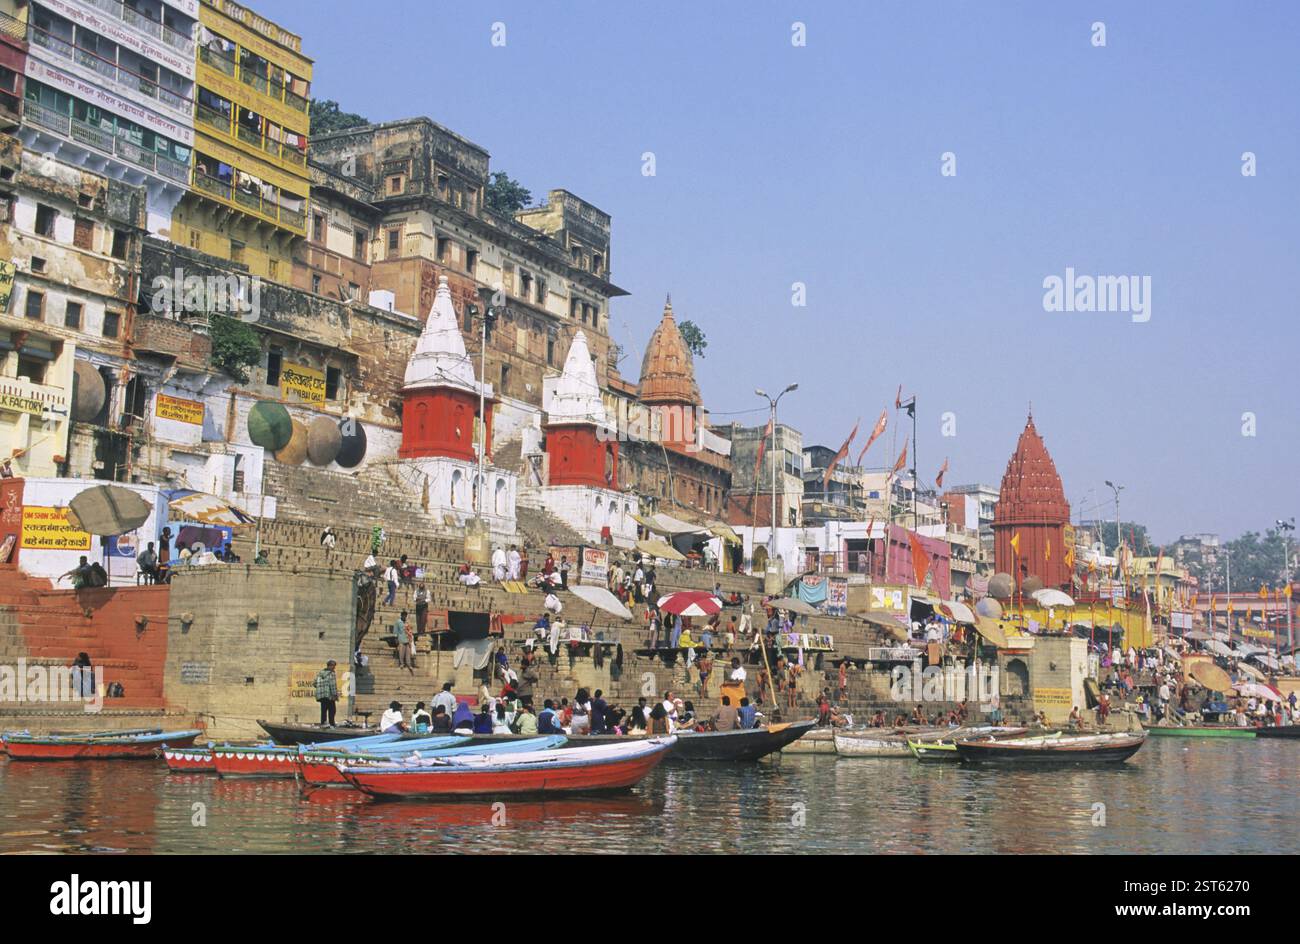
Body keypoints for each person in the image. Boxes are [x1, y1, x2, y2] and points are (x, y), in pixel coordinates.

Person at [313, 660, 339, 726]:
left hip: (322, 696)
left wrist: (321, 688)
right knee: (332, 710)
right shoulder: (331, 673)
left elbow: (314, 683)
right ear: (330, 666)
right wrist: (335, 695)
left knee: (323, 710)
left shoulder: (320, 673)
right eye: (333, 666)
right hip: (329, 695)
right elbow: (333, 685)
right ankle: (331, 723)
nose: (334, 668)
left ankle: (323, 723)